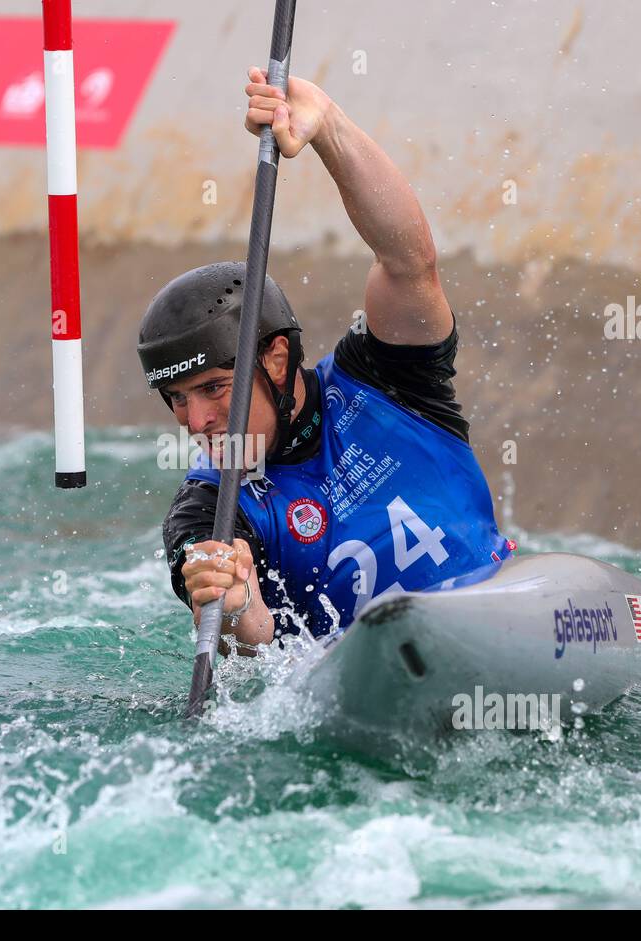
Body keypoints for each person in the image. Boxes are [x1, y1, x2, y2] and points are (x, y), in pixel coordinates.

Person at [138, 67, 512, 650]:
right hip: (370, 695)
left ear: (277, 360)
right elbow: (256, 641)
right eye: (177, 401)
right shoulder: (211, 507)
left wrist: (327, 128)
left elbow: (409, 263)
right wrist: (233, 603)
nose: (196, 420)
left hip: (500, 620)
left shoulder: (387, 382)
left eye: (214, 388)